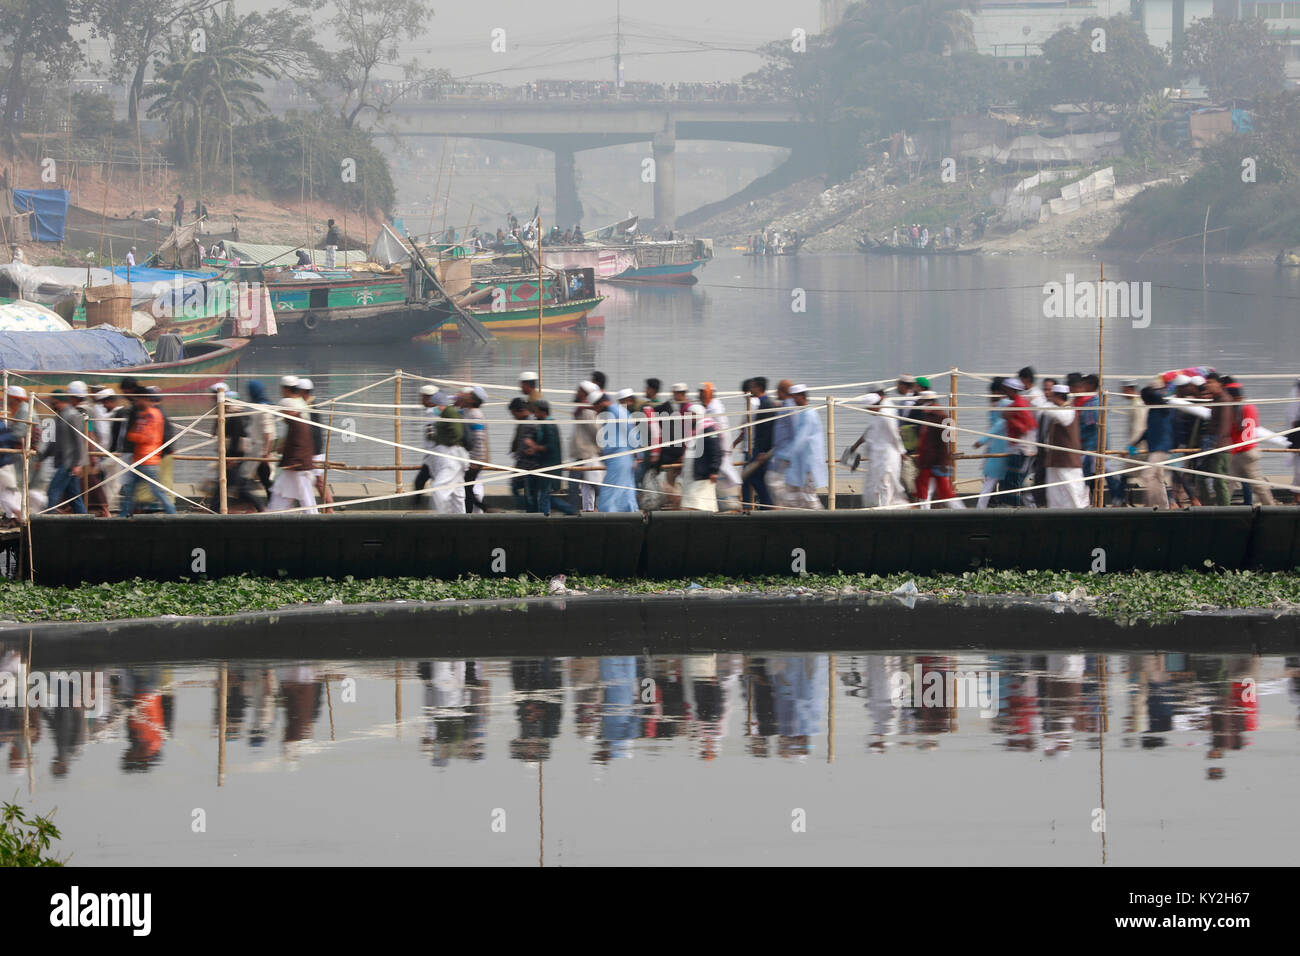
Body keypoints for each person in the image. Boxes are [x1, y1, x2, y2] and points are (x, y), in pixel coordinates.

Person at [119, 387, 177, 516]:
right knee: (131, 492)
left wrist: (134, 435)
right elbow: (135, 433)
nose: (136, 402)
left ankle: (174, 516)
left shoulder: (151, 415)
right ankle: (122, 517)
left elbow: (146, 437)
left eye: (138, 399)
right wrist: (135, 435)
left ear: (145, 399)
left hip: (148, 460)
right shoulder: (143, 414)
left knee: (158, 492)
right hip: (140, 460)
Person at [844, 391, 905, 508]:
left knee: (885, 484)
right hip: (877, 457)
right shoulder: (874, 417)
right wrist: (855, 446)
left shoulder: (886, 416)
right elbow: (868, 433)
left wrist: (902, 452)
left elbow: (895, 435)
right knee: (877, 485)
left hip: (888, 456)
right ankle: (881, 507)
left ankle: (886, 509)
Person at [774, 385, 827, 510]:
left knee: (809, 496)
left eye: (795, 397)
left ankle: (823, 521)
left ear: (802, 397)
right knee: (798, 494)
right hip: (802, 461)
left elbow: (801, 439)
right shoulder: (804, 413)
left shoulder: (808, 414)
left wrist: (786, 456)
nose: (793, 400)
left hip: (808, 461)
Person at [43, 383, 90, 515]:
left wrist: (78, 464)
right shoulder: (59, 416)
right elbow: (54, 441)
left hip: (69, 463)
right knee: (74, 496)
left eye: (54, 403)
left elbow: (80, 441)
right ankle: (85, 521)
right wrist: (42, 457)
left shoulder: (72, 415)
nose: (53, 405)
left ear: (61, 402)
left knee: (53, 491)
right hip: (65, 462)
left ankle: (48, 521)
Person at [1226, 382, 1275, 506]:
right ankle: (1222, 507)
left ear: (1234, 397)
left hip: (1245, 451)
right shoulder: (1242, 407)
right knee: (1230, 481)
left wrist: (1236, 447)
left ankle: (1270, 506)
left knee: (1256, 483)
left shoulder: (1244, 408)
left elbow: (1246, 434)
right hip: (1241, 451)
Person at [913, 390, 963, 509]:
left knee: (942, 492)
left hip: (935, 462)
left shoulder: (940, 417)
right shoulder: (931, 416)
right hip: (930, 461)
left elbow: (946, 442)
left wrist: (943, 461)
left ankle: (960, 511)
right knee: (928, 490)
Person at [1041, 384, 1088, 508]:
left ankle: (1078, 512)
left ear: (1057, 397)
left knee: (1073, 488)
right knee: (1054, 490)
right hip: (1055, 459)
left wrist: (1039, 402)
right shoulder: (1059, 410)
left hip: (1068, 460)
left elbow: (1059, 416)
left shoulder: (1068, 411)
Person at [267, 397, 317, 513]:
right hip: (295, 468)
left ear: (289, 411)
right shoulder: (296, 423)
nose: (282, 415)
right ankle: (274, 513)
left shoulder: (298, 424)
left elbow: (300, 445)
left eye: (283, 412)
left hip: (298, 468)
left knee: (304, 496)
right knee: (283, 494)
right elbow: (295, 444)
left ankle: (274, 513)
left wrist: (293, 462)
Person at [594, 391, 639, 512]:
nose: (595, 410)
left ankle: (607, 520)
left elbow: (631, 432)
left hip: (619, 458)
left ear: (602, 403)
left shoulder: (615, 411)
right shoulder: (613, 412)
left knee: (609, 492)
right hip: (621, 458)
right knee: (626, 491)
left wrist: (637, 454)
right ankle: (633, 516)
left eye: (596, 406)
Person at [1130, 385, 1172, 509]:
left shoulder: (1160, 411)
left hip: (1159, 449)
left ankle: (1149, 504)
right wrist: (1135, 444)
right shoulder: (1155, 410)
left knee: (1147, 475)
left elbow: (1156, 431)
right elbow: (1148, 431)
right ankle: (1164, 505)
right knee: (1158, 477)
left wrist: (1136, 443)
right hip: (1156, 447)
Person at [701, 384, 741, 512]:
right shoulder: (710, 409)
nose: (701, 396)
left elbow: (722, 433)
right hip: (717, 452)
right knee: (721, 483)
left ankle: (729, 509)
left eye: (703, 393)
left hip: (719, 453)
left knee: (724, 482)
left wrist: (721, 452)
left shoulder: (716, 410)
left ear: (709, 394)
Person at [429, 390, 470, 514]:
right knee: (457, 492)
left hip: (451, 457)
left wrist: (444, 441)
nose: (433, 409)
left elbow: (456, 433)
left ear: (439, 404)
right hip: (453, 458)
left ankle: (443, 517)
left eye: (434, 405)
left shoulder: (450, 412)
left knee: (438, 489)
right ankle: (461, 519)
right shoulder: (446, 414)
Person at [741, 376, 777, 511]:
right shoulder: (764, 403)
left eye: (753, 387)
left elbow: (767, 430)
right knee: (756, 478)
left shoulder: (765, 404)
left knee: (754, 477)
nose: (751, 390)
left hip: (761, 450)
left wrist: (763, 452)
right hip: (760, 448)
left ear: (759, 388)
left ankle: (767, 506)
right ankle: (765, 505)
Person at [679, 401, 720, 512]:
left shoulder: (708, 429)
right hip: (694, 475)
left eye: (691, 415)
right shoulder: (696, 429)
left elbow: (715, 449)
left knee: (700, 505)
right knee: (693, 505)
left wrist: (714, 470)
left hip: (702, 475)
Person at [524, 399, 562, 514]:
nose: (534, 415)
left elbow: (550, 446)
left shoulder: (549, 425)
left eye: (536, 412)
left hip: (549, 466)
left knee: (544, 495)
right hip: (545, 465)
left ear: (543, 412)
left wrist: (534, 446)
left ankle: (548, 517)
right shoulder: (544, 424)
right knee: (544, 495)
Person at [569, 382, 603, 511]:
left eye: (579, 390)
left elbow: (597, 433)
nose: (576, 392)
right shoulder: (582, 410)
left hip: (586, 454)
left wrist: (600, 450)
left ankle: (573, 512)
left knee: (577, 484)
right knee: (589, 484)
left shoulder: (587, 411)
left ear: (585, 393)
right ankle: (587, 509)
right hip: (582, 454)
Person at [0, 386, 31, 520]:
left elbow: (15, 436)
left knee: (7, 496)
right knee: (9, 494)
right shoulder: (4, 423)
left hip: (4, 465)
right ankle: (15, 517)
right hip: (8, 463)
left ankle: (19, 516)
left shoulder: (23, 411)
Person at [457, 386, 490, 513]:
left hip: (475, 458)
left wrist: (474, 460)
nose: (466, 395)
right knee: (467, 487)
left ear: (472, 399)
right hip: (470, 458)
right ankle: (481, 509)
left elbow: (478, 439)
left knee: (468, 487)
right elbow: (456, 412)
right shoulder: (468, 412)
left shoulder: (476, 415)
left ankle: (478, 511)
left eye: (469, 394)